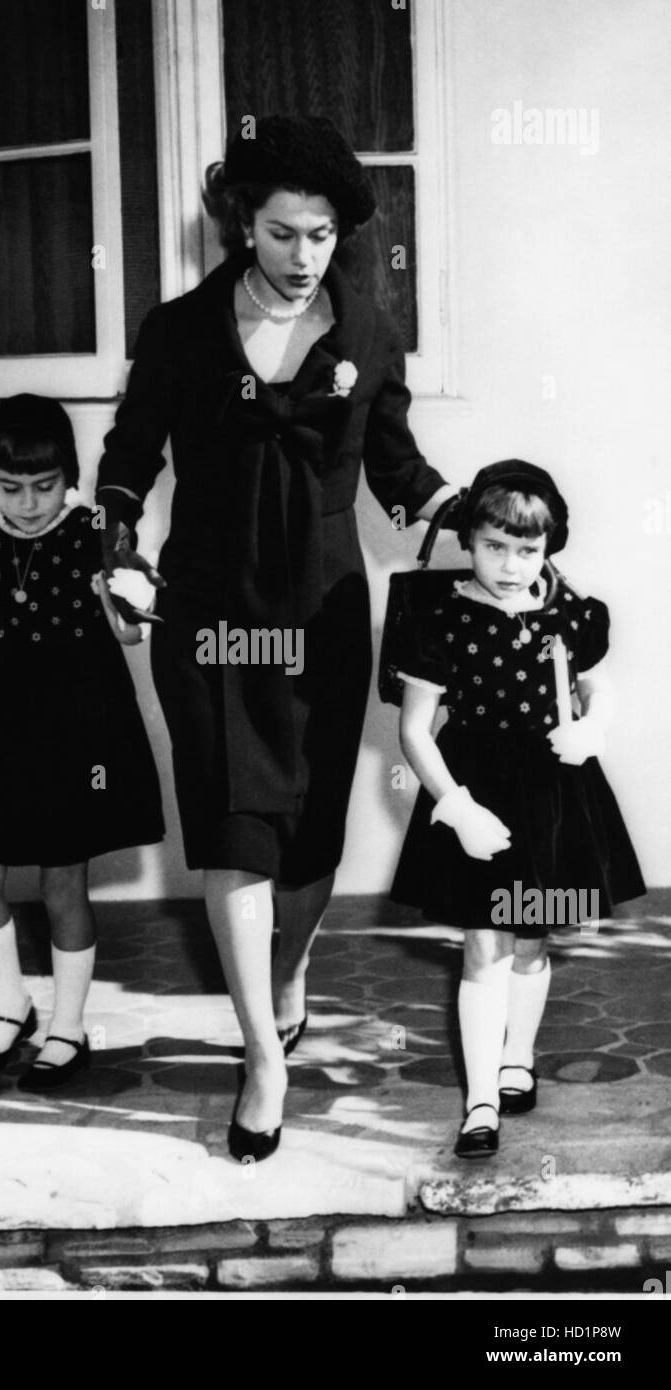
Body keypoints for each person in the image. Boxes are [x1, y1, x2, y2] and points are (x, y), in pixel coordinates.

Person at [95, 115, 454, 1161]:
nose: (306, 258)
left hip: (325, 613)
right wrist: (118, 545)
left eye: (324, 235)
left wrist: (472, 521)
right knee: (232, 829)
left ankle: (290, 971)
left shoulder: (369, 334)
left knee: (305, 842)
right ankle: (263, 1053)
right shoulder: (178, 331)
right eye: (286, 233)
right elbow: (128, 458)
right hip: (209, 612)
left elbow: (399, 473)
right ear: (243, 225)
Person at [0, 395, 164, 1090]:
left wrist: (126, 594)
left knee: (61, 881)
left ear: (69, 478)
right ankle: (9, 1006)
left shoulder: (91, 535)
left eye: (43, 487)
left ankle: (69, 1024)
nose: (26, 503)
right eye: (10, 488)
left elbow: (129, 633)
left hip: (78, 723)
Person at [386, 461, 645, 1157]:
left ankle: (515, 1059)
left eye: (526, 550)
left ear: (547, 547)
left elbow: (599, 690)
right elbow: (413, 730)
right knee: (482, 945)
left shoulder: (567, 610)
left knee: (529, 942)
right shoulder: (440, 621)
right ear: (467, 540)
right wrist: (455, 807)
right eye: (494, 546)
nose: (510, 564)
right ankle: (477, 1105)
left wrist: (591, 730)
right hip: (475, 790)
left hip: (550, 793)